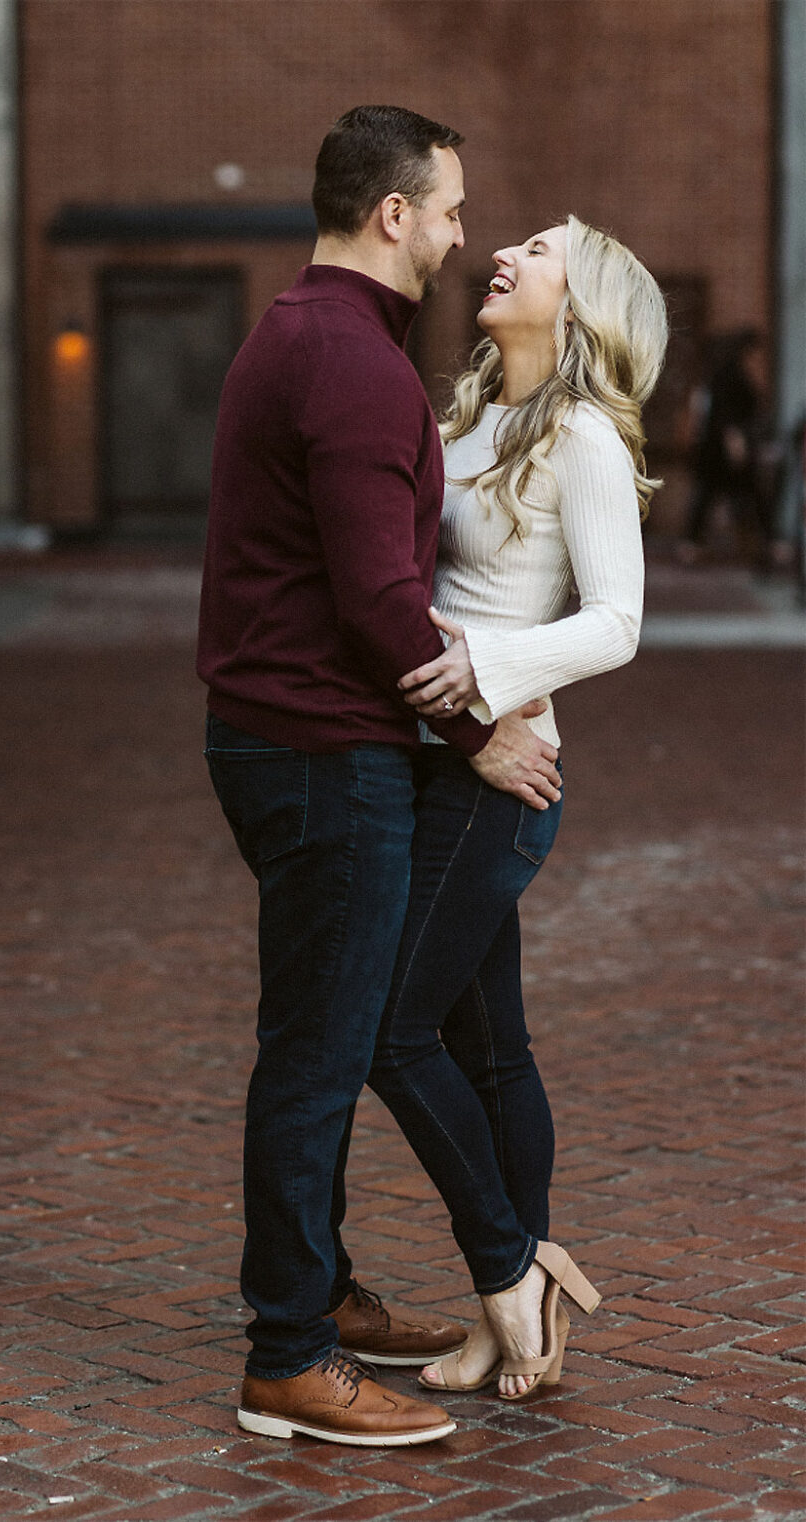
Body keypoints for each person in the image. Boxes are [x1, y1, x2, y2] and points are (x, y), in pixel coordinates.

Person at [198, 105, 564, 1447]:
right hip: (317, 751)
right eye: (453, 209)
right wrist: (484, 731)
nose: (466, 234)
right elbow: (374, 594)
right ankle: (287, 1355)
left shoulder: (312, 335)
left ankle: (325, 1295)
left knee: (324, 1034)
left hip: (294, 738)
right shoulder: (347, 359)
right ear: (393, 213)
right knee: (318, 1049)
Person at [371, 216, 666, 1401]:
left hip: (502, 769)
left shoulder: (584, 440)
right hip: (439, 759)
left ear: (578, 300)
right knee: (491, 1050)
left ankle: (508, 1264)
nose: (502, 254)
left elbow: (616, 620)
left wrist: (475, 668)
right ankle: (512, 1309)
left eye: (537, 250)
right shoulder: (467, 415)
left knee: (394, 1033)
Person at [675, 330, 770, 565]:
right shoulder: (731, 375)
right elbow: (723, 414)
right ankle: (760, 542)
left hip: (719, 451)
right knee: (726, 493)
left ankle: (758, 541)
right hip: (723, 452)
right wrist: (734, 440)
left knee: (719, 494)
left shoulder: (726, 375)